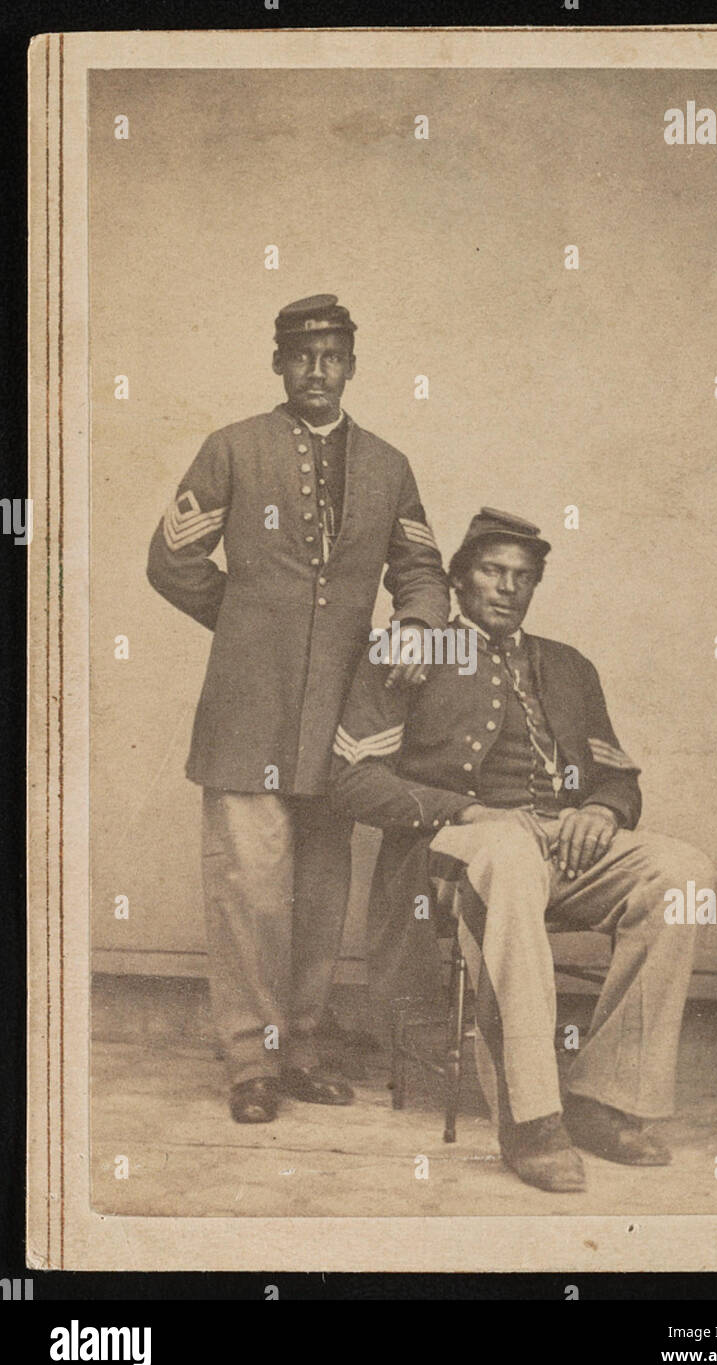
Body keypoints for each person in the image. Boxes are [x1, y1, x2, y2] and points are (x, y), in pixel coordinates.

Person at [329, 507, 716, 1192]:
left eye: (523, 577)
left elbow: (617, 775)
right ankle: (533, 1117)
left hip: (558, 851)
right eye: (492, 571)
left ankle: (607, 1099)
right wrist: (473, 809)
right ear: (458, 577)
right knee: (507, 854)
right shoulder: (410, 650)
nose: (508, 588)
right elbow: (352, 781)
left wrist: (600, 809)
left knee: (682, 871)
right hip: (452, 852)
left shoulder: (568, 665)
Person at [147, 295, 450, 1123]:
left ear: (353, 364)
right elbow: (173, 560)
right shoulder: (232, 449)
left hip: (345, 721)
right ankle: (251, 1063)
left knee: (319, 891)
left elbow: (423, 570)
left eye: (332, 355)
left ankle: (302, 1048)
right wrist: (248, 626)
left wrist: (418, 627)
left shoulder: (389, 465)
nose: (317, 370)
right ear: (278, 364)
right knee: (249, 890)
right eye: (301, 355)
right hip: (249, 711)